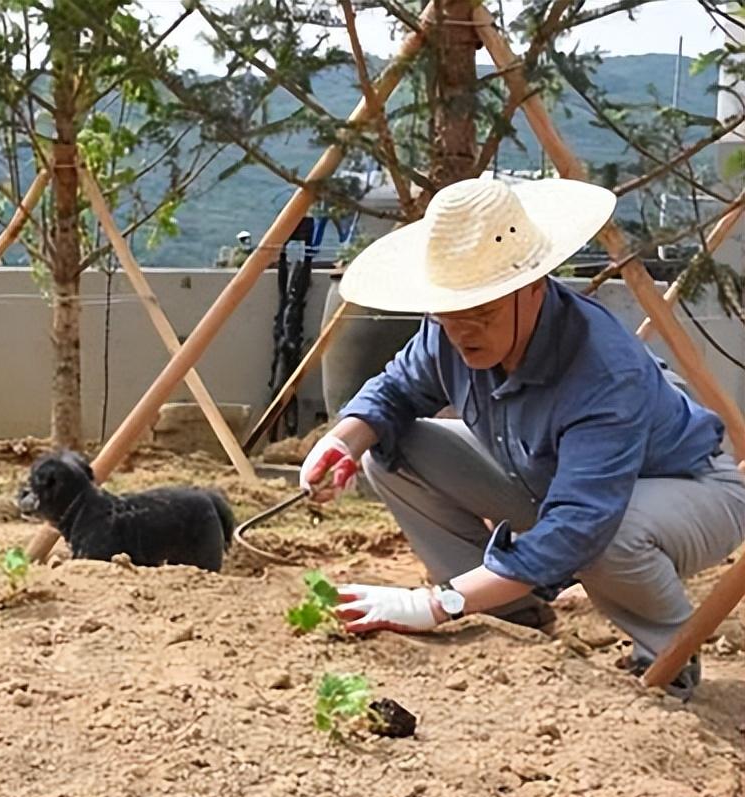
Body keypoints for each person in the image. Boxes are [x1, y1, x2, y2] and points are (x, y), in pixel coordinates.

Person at [299, 176, 745, 699]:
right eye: (448, 314)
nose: (462, 332)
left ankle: (668, 661)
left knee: (611, 538)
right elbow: (396, 391)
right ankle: (511, 613)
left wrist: (434, 605)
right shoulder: (447, 332)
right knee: (392, 451)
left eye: (481, 314)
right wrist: (343, 443)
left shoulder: (602, 372)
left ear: (534, 287)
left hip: (689, 489)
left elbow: (579, 526)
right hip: (552, 484)